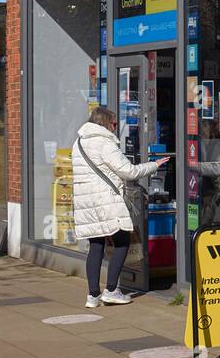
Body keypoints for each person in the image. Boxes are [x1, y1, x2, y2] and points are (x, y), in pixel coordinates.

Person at [72, 106, 168, 308]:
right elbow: (129, 171)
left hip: (86, 202)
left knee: (96, 245)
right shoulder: (105, 143)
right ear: (105, 122)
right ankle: (112, 290)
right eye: (114, 123)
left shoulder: (79, 142)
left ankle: (93, 296)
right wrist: (154, 165)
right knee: (123, 240)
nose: (115, 127)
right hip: (104, 200)